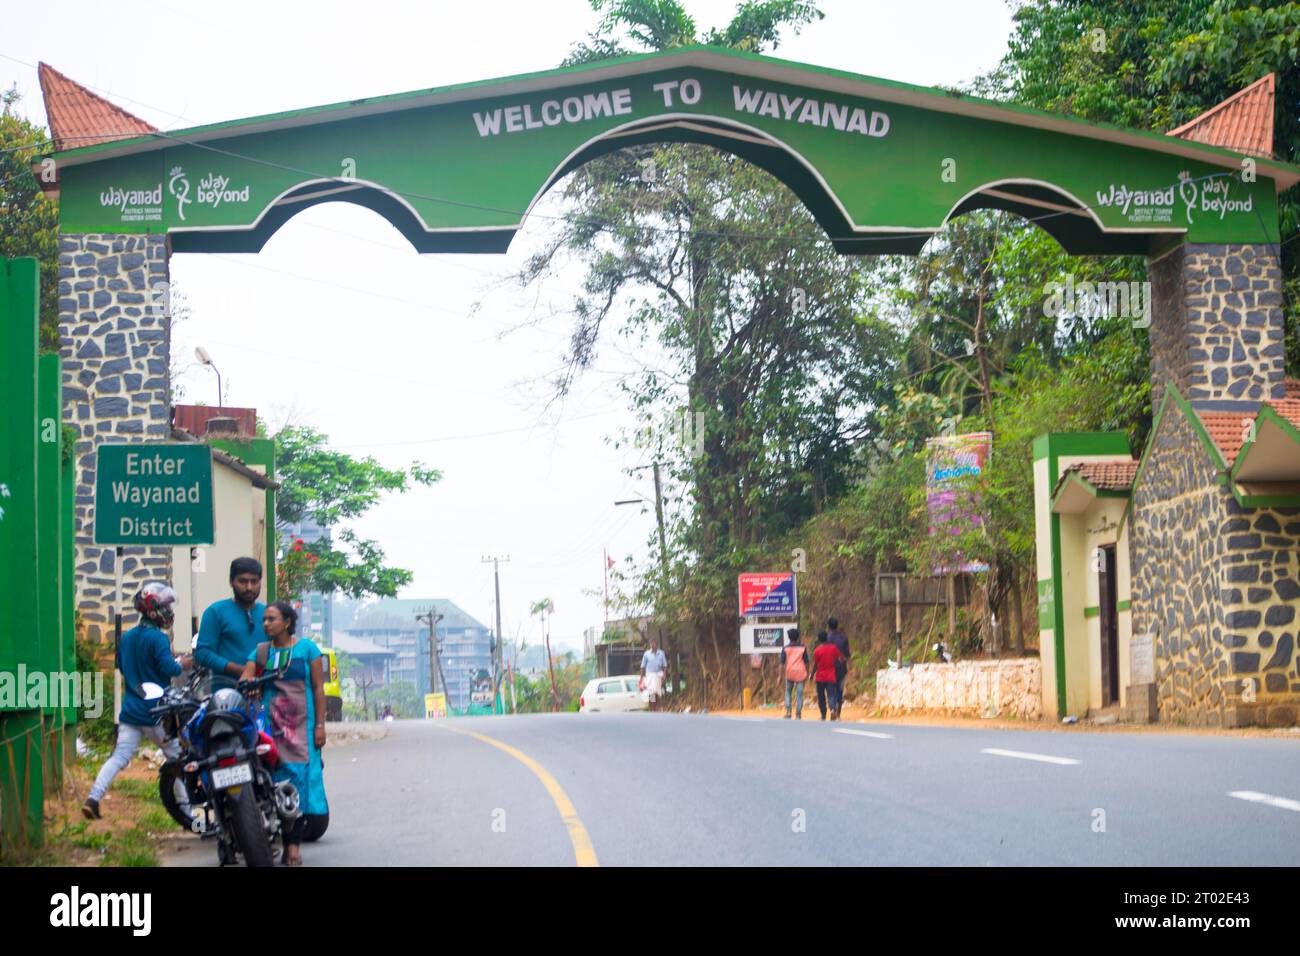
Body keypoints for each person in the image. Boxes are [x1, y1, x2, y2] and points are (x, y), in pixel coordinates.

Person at [83, 582, 192, 819]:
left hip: (131, 712)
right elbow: (169, 668)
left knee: (119, 758)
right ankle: (188, 814)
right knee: (177, 760)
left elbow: (122, 666)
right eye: (165, 607)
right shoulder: (158, 638)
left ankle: (93, 797)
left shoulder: (127, 638)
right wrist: (181, 663)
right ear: (153, 611)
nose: (169, 612)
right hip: (157, 715)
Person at [239, 600, 328, 866]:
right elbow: (245, 677)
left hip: (303, 727)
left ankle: (293, 847)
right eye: (265, 619)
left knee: (298, 785)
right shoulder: (261, 652)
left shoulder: (307, 649)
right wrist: (249, 685)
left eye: (272, 619)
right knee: (271, 782)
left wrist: (320, 725)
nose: (266, 623)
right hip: (270, 727)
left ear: (287, 622)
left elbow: (318, 688)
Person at [195, 557, 267, 692]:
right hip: (227, 696)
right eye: (242, 581)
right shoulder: (215, 612)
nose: (249, 587)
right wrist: (240, 670)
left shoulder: (268, 614)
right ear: (231, 582)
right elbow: (203, 653)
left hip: (265, 694)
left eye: (254, 581)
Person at [812, 630, 844, 721]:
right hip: (831, 676)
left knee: (821, 696)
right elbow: (841, 658)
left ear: (819, 640)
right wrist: (838, 664)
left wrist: (812, 675)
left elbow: (815, 665)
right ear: (827, 638)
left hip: (820, 677)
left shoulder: (817, 650)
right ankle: (833, 709)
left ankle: (823, 714)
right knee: (831, 695)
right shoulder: (833, 648)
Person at [781, 628, 809, 719]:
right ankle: (798, 713)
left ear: (789, 637)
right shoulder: (802, 648)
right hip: (801, 672)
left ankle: (788, 712)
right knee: (799, 693)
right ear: (797, 637)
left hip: (789, 672)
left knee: (788, 692)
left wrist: (779, 676)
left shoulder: (785, 648)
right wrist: (807, 672)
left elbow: (781, 663)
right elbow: (807, 662)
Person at [827, 617, 851, 719]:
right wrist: (849, 667)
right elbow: (848, 655)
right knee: (840, 690)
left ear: (828, 626)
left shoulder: (826, 638)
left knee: (831, 690)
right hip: (841, 668)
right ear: (837, 625)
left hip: (829, 668)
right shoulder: (844, 638)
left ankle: (832, 708)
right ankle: (838, 714)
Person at [640, 639, 668, 711]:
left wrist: (664, 674)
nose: (653, 645)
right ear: (650, 645)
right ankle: (652, 708)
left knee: (658, 692)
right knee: (651, 692)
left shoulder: (661, 653)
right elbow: (643, 666)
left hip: (658, 674)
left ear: (657, 644)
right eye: (651, 643)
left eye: (654, 643)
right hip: (650, 675)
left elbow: (665, 665)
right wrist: (641, 678)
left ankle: (657, 707)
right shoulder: (646, 654)